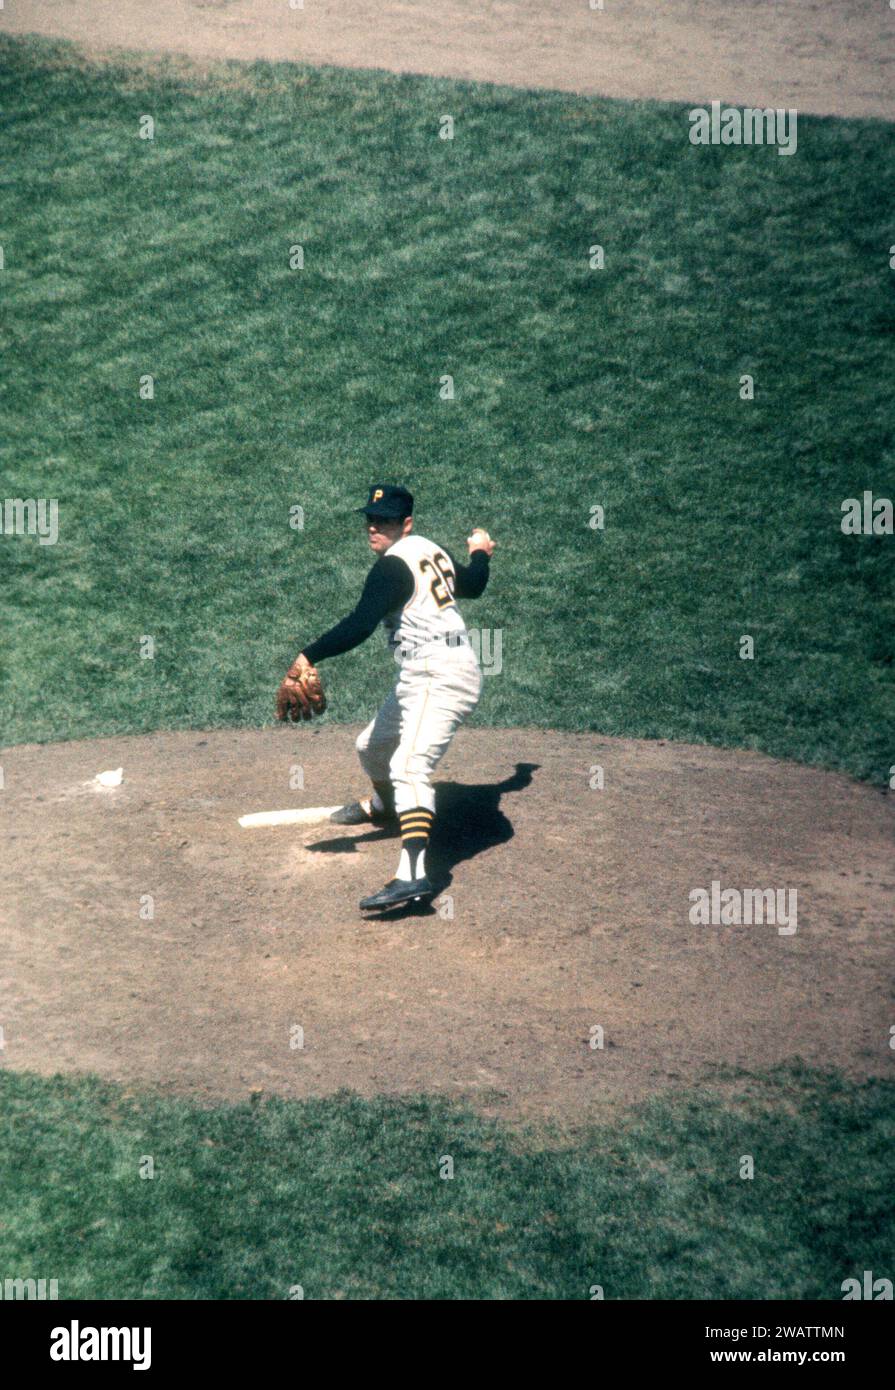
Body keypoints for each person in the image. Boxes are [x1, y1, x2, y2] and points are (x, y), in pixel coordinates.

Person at [276, 484, 496, 911]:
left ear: (406, 523)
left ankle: (411, 877)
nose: (374, 527)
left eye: (386, 520)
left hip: (441, 674)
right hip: (422, 672)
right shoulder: (431, 550)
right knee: (372, 748)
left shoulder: (392, 567)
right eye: (371, 519)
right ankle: (384, 806)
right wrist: (481, 551)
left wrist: (308, 654)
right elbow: (472, 584)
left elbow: (360, 624)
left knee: (409, 766)